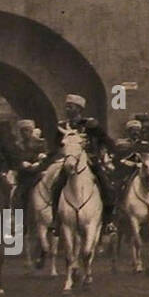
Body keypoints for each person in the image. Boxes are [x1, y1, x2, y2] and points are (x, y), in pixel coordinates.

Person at [50, 94, 115, 228]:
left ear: (79, 109)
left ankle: (108, 221)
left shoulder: (90, 124)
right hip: (70, 159)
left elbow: (106, 140)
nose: (67, 109)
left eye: (71, 107)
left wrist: (106, 151)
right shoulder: (62, 126)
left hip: (90, 160)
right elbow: (55, 145)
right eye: (67, 106)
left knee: (107, 186)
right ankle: (56, 220)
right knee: (56, 185)